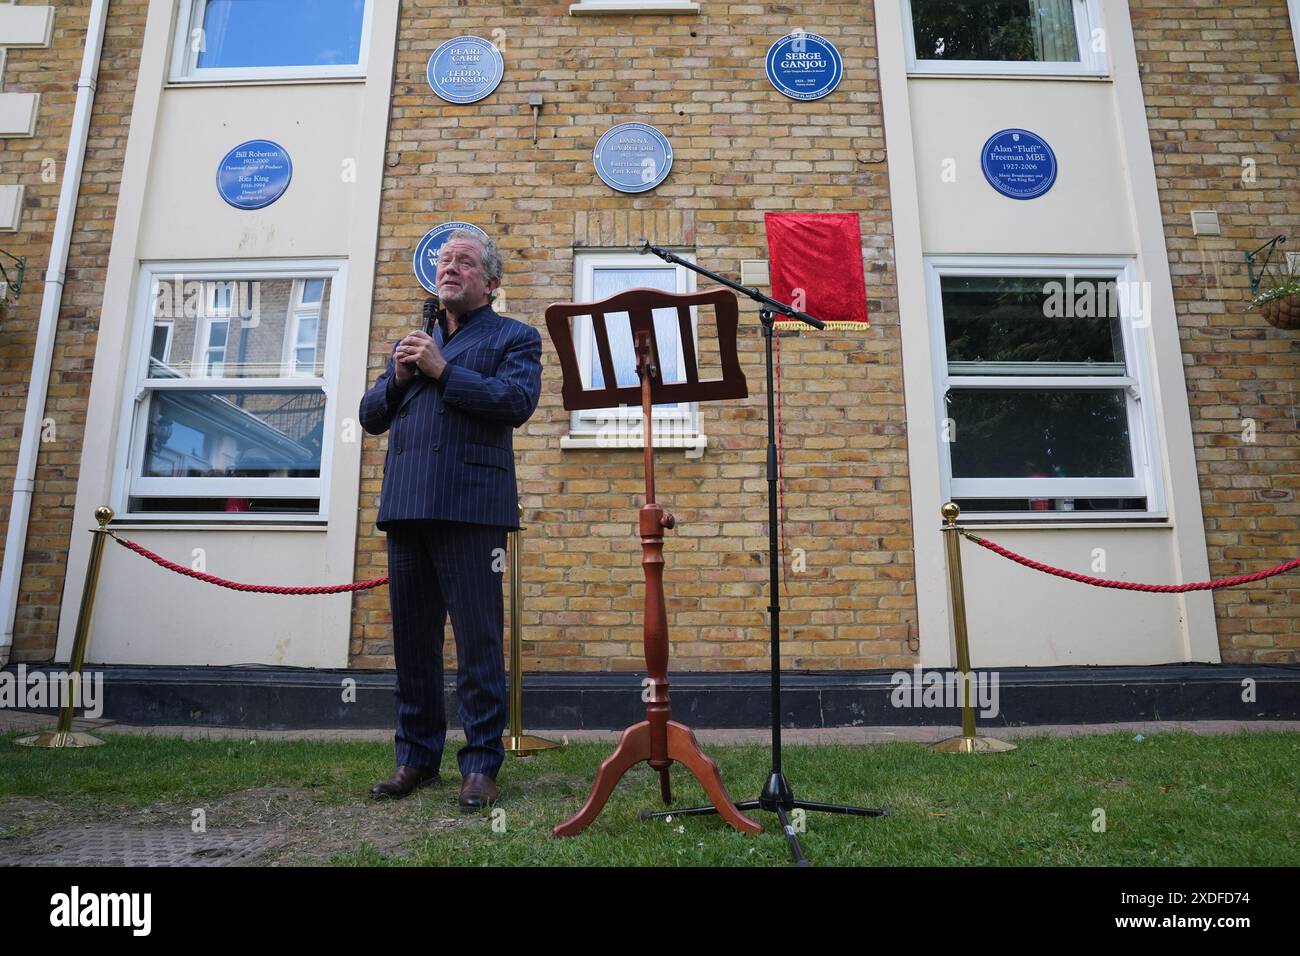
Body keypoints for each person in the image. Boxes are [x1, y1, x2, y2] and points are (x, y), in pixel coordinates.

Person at [358, 230, 542, 810]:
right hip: (408, 506)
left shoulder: (515, 337)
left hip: (471, 508)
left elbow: (515, 404)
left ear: (490, 281)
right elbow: (370, 418)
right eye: (444, 260)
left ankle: (481, 765)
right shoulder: (415, 341)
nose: (450, 268)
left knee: (478, 643)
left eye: (464, 261)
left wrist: (441, 370)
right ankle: (415, 758)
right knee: (413, 645)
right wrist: (400, 376)